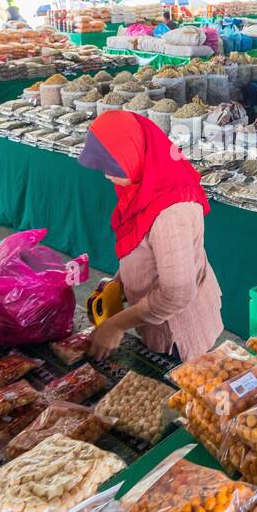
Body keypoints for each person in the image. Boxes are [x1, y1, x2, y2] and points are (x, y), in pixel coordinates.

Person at [77, 110, 223, 362]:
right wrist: (118, 284)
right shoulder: (146, 185)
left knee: (177, 389)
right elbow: (142, 248)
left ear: (135, 152)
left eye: (114, 167)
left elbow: (176, 294)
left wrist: (116, 325)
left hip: (178, 330)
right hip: (158, 318)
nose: (107, 176)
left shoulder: (169, 214)